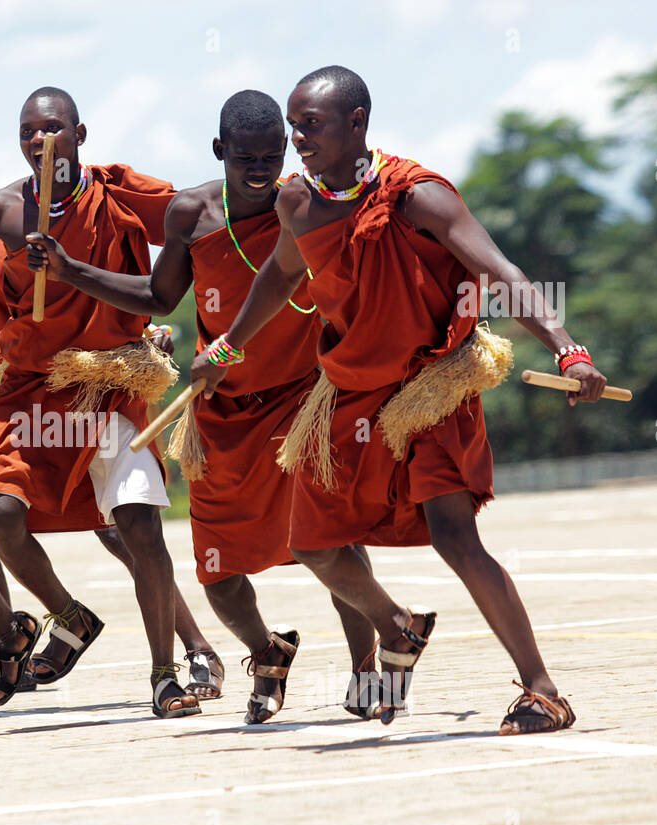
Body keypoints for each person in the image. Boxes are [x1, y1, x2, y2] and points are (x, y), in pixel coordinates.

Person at [192, 66, 607, 734]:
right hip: (349, 397)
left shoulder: (419, 197)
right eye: (294, 123)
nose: (298, 137)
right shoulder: (297, 204)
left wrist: (568, 347)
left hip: (429, 391)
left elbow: (502, 272)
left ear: (357, 122)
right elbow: (279, 275)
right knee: (317, 543)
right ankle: (398, 628)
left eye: (312, 124)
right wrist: (228, 347)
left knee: (456, 537)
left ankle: (543, 690)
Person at [29, 91, 379, 723]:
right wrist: (69, 270)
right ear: (220, 152)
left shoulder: (305, 203)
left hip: (308, 403)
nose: (261, 170)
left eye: (273, 156)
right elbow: (160, 297)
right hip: (221, 409)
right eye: (246, 157)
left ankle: (367, 671)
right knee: (217, 571)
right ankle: (265, 652)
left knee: (333, 544)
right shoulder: (190, 213)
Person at [0, 88, 199, 718]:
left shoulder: (117, 198)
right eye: (28, 132)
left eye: (52, 129)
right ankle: (68, 617)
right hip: (29, 386)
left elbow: (172, 270)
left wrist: (72, 271)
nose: (40, 141)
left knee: (138, 525)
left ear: (79, 132)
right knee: (0, 515)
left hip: (109, 381)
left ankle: (166, 674)